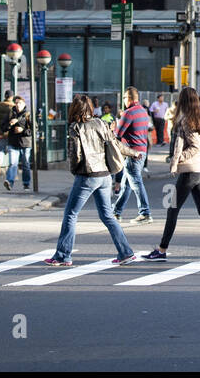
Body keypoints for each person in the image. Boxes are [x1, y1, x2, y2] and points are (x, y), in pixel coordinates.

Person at [42, 96, 137, 267]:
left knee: (71, 214)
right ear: (91, 108)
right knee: (107, 215)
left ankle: (63, 255)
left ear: (74, 110)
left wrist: (75, 170)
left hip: (88, 175)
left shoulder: (75, 127)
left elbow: (75, 154)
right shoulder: (100, 123)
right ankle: (126, 252)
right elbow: (115, 143)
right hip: (105, 175)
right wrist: (133, 152)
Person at [143, 86, 200, 262]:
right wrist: (199, 156)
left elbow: (190, 147)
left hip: (190, 172)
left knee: (172, 210)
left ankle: (161, 250)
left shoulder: (185, 120)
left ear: (182, 101)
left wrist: (177, 161)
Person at [112, 86, 153, 224]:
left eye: (124, 97)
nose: (123, 100)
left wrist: (113, 129)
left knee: (135, 183)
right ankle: (116, 212)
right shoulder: (143, 112)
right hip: (142, 151)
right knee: (126, 184)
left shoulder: (128, 113)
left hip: (132, 153)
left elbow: (117, 135)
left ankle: (145, 213)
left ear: (128, 98)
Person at [1, 95, 32, 192]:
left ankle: (26, 184)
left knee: (25, 164)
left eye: (20, 103)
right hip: (13, 143)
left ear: (24, 104)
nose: (18, 105)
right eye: (17, 103)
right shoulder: (10, 114)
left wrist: (22, 130)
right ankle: (9, 182)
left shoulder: (28, 115)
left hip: (25, 143)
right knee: (13, 163)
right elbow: (3, 128)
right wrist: (10, 124)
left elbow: (34, 129)